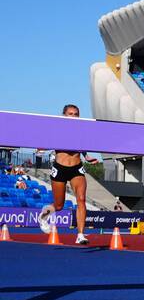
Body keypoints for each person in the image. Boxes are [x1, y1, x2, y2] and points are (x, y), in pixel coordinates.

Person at [37, 104, 100, 245]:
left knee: (81, 200)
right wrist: (40, 147)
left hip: (76, 169)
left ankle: (80, 234)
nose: (73, 116)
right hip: (60, 169)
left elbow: (82, 147)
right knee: (59, 206)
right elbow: (43, 143)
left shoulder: (82, 130)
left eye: (76, 114)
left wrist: (87, 157)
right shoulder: (57, 130)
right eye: (70, 114)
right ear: (64, 115)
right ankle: (43, 216)